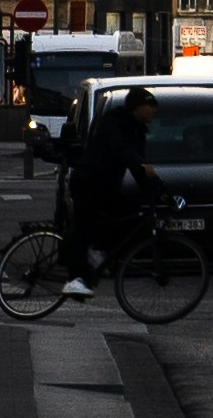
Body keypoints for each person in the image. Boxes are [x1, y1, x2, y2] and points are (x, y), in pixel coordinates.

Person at [60, 86, 160, 301]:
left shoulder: (138, 130)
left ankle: (99, 250)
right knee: (83, 229)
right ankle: (75, 279)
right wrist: (140, 164)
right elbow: (120, 149)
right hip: (88, 181)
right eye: (149, 107)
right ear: (137, 108)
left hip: (107, 186)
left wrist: (160, 193)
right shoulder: (114, 121)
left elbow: (139, 168)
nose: (153, 111)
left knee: (133, 217)